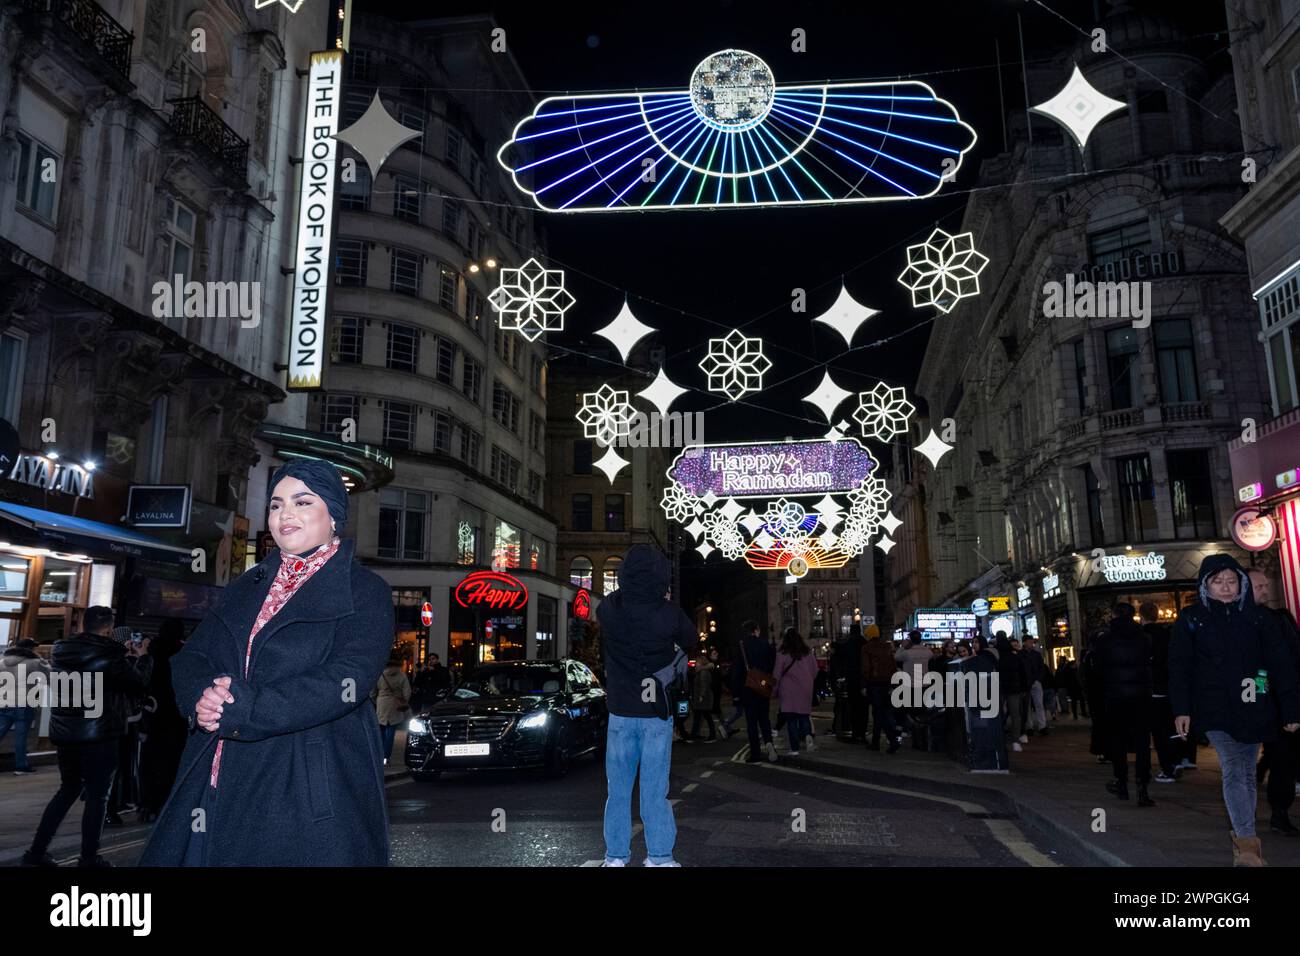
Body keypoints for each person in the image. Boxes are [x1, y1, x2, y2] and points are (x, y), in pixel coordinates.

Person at [138, 459, 395, 866]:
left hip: (304, 781)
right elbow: (193, 657)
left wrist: (246, 707)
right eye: (275, 505)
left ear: (334, 516)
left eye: (302, 501)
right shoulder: (247, 584)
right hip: (214, 772)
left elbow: (347, 679)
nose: (284, 514)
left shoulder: (364, 590)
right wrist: (205, 698)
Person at [1170, 554, 1300, 866]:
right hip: (1214, 707)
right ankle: (1247, 846)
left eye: (1231, 581)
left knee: (1244, 770)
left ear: (1240, 583)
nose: (1226, 588)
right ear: (1206, 585)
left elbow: (1279, 664)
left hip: (1254, 704)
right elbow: (1179, 667)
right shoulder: (1191, 619)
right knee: (1232, 767)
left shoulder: (1258, 618)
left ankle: (1245, 838)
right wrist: (1182, 708)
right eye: (1218, 582)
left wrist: (1289, 708)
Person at [21, 607, 153, 867]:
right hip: (100, 734)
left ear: (83, 624)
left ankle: (35, 853)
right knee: (97, 798)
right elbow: (138, 683)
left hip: (66, 734)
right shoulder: (109, 655)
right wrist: (143, 657)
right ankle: (89, 858)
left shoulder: (61, 651)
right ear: (108, 628)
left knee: (67, 790)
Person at [595, 544, 697, 866]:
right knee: (655, 790)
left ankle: (615, 857)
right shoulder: (668, 613)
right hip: (656, 711)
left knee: (618, 791)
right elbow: (692, 640)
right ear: (660, 577)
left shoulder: (610, 609)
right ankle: (660, 857)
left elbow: (604, 608)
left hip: (621, 711)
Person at [1248, 570, 1300, 836]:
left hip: (1277, 703)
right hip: (1263, 705)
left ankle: (1278, 811)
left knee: (1282, 758)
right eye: (1259, 586)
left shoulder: (1274, 619)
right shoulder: (1242, 621)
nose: (1265, 590)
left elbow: (1274, 669)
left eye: (1265, 585)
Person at [1095, 603, 1155, 807]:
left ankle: (1121, 782)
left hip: (1116, 696)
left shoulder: (1105, 640)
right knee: (1142, 743)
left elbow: (1098, 669)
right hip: (1141, 696)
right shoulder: (1144, 639)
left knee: (1118, 741)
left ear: (1113, 615)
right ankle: (1142, 786)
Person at [139, 620, 187, 822]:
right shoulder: (183, 654)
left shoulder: (150, 653)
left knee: (149, 760)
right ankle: (163, 803)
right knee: (171, 762)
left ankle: (147, 803)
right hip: (175, 715)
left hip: (152, 713)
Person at [1138, 602, 1178, 784]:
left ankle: (1167, 767)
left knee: (1157, 731)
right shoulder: (1167, 634)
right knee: (1170, 728)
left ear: (1141, 616)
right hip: (1169, 687)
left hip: (1151, 688)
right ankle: (1175, 761)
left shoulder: (1142, 636)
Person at [1, 638, 48, 775]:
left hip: (4, 703)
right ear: (29, 649)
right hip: (24, 704)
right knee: (21, 737)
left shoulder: (2, 662)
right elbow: (51, 676)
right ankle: (20, 766)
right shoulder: (35, 662)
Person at [773, 628, 818, 755]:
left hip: (788, 690)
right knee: (804, 716)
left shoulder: (782, 653)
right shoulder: (807, 652)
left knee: (791, 720)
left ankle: (794, 749)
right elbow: (815, 671)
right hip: (805, 689)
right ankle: (808, 736)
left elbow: (776, 674)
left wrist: (774, 690)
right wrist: (808, 681)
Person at [737, 620, 777, 763]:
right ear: (755, 630)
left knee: (752, 722)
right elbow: (772, 663)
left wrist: (736, 692)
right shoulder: (765, 644)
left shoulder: (742, 646)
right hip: (763, 685)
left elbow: (737, 670)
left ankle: (755, 753)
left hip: (748, 687)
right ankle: (769, 743)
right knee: (764, 718)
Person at [860, 624, 901, 753]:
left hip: (874, 683)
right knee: (885, 712)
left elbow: (865, 668)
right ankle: (876, 742)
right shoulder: (887, 647)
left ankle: (892, 740)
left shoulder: (866, 648)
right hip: (887, 683)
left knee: (878, 713)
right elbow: (893, 666)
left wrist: (864, 685)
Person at [829, 624, 867, 740]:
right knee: (863, 709)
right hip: (863, 679)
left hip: (851, 679)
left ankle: (855, 732)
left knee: (853, 708)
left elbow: (838, 657)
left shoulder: (847, 644)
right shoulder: (864, 643)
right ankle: (862, 732)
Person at [995, 632, 1028, 752]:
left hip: (999, 687)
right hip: (1014, 688)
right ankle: (1016, 741)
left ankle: (999, 738)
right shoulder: (1014, 655)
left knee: (998, 714)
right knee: (1016, 715)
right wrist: (1024, 688)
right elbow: (1022, 673)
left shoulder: (995, 655)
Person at [374, 657, 411, 763]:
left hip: (382, 703)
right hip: (396, 705)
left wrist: (377, 701)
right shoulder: (402, 675)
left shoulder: (380, 675)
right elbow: (407, 691)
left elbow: (372, 692)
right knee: (391, 731)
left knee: (381, 730)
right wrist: (404, 701)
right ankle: (386, 756)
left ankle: (379, 754)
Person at [1022, 637, 1049, 736]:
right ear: (1025, 643)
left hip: (1035, 681)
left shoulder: (1036, 655)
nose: (1032, 644)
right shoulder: (1022, 655)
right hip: (1027, 683)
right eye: (1030, 642)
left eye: (1032, 642)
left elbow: (1042, 668)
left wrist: (1037, 679)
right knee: (1028, 706)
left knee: (1039, 704)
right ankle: (1030, 726)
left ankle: (1042, 726)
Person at [689, 654, 717, 741]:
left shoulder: (703, 672)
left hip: (702, 698)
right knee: (700, 716)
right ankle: (694, 735)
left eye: (697, 661)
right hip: (701, 698)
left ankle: (711, 736)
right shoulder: (701, 671)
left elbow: (704, 684)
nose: (696, 663)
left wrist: (701, 696)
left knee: (705, 716)